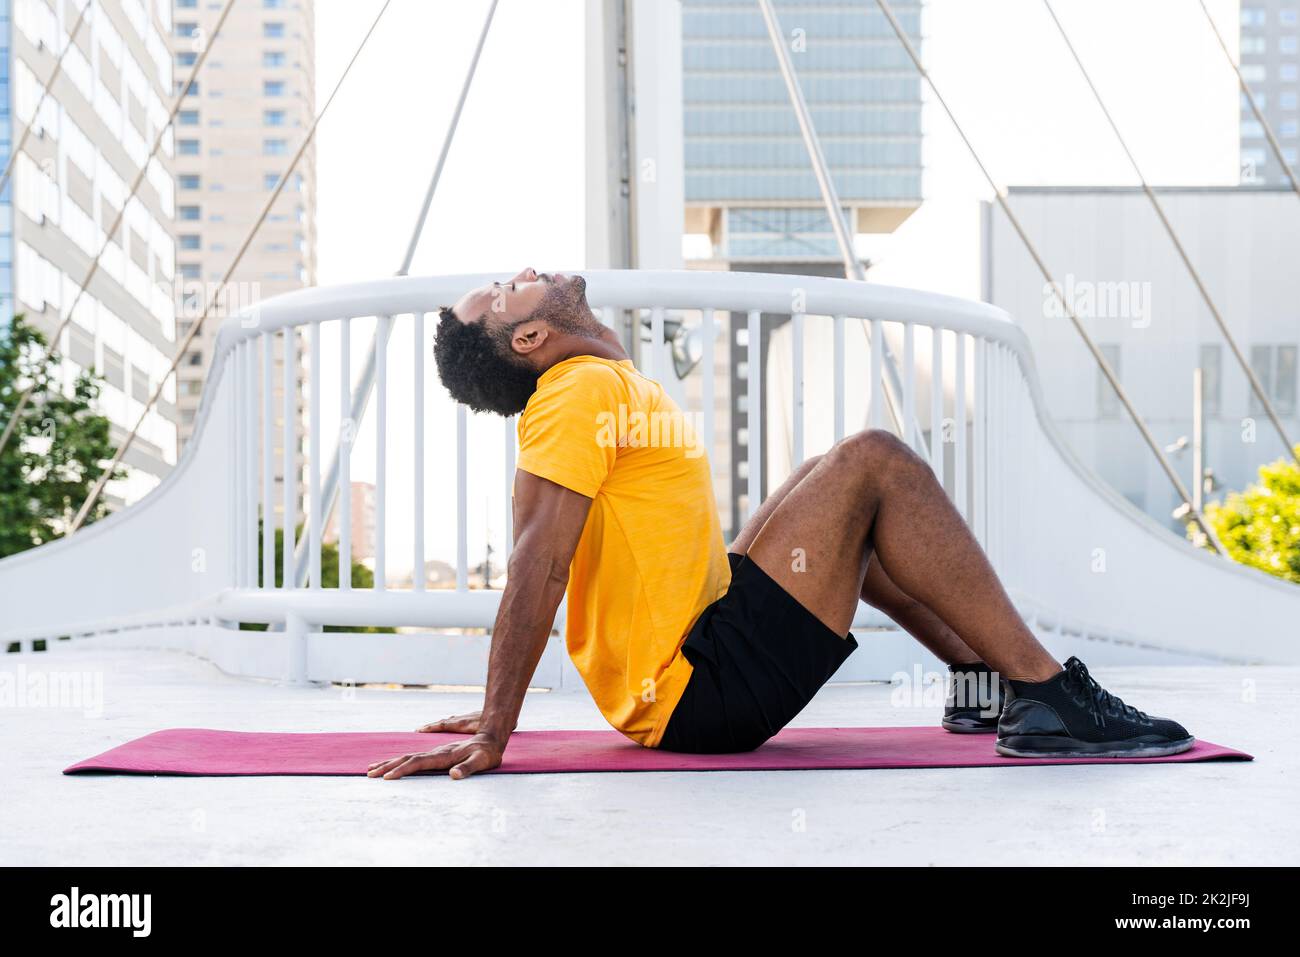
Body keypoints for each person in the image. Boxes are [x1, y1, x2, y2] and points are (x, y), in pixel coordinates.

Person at [367, 268, 1192, 781]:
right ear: (531, 335)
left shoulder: (600, 386)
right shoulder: (576, 394)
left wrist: (493, 701)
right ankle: (1049, 695)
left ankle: (982, 681)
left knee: (827, 489)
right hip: (700, 692)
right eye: (508, 292)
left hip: (695, 656)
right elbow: (537, 559)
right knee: (874, 460)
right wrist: (498, 723)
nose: (524, 272)